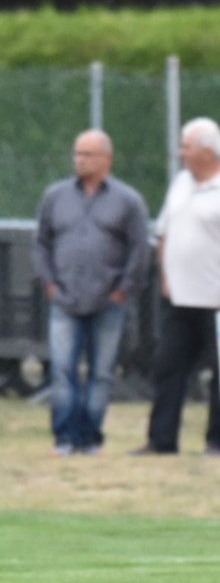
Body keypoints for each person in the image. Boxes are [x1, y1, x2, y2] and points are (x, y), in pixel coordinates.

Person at [130, 117, 220, 457]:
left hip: (219, 303)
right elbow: (164, 234)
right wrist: (167, 278)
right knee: (168, 369)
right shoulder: (180, 184)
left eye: (186, 147)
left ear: (206, 151)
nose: (180, 153)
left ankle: (218, 441)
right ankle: (161, 440)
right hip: (180, 299)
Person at [32, 129, 151, 457]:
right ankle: (65, 438)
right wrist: (49, 283)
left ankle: (90, 438)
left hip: (108, 302)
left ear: (106, 159)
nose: (80, 160)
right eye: (77, 154)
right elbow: (41, 243)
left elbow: (139, 250)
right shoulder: (55, 196)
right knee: (62, 370)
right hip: (64, 299)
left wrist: (122, 291)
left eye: (88, 154)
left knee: (100, 374)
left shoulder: (128, 201)